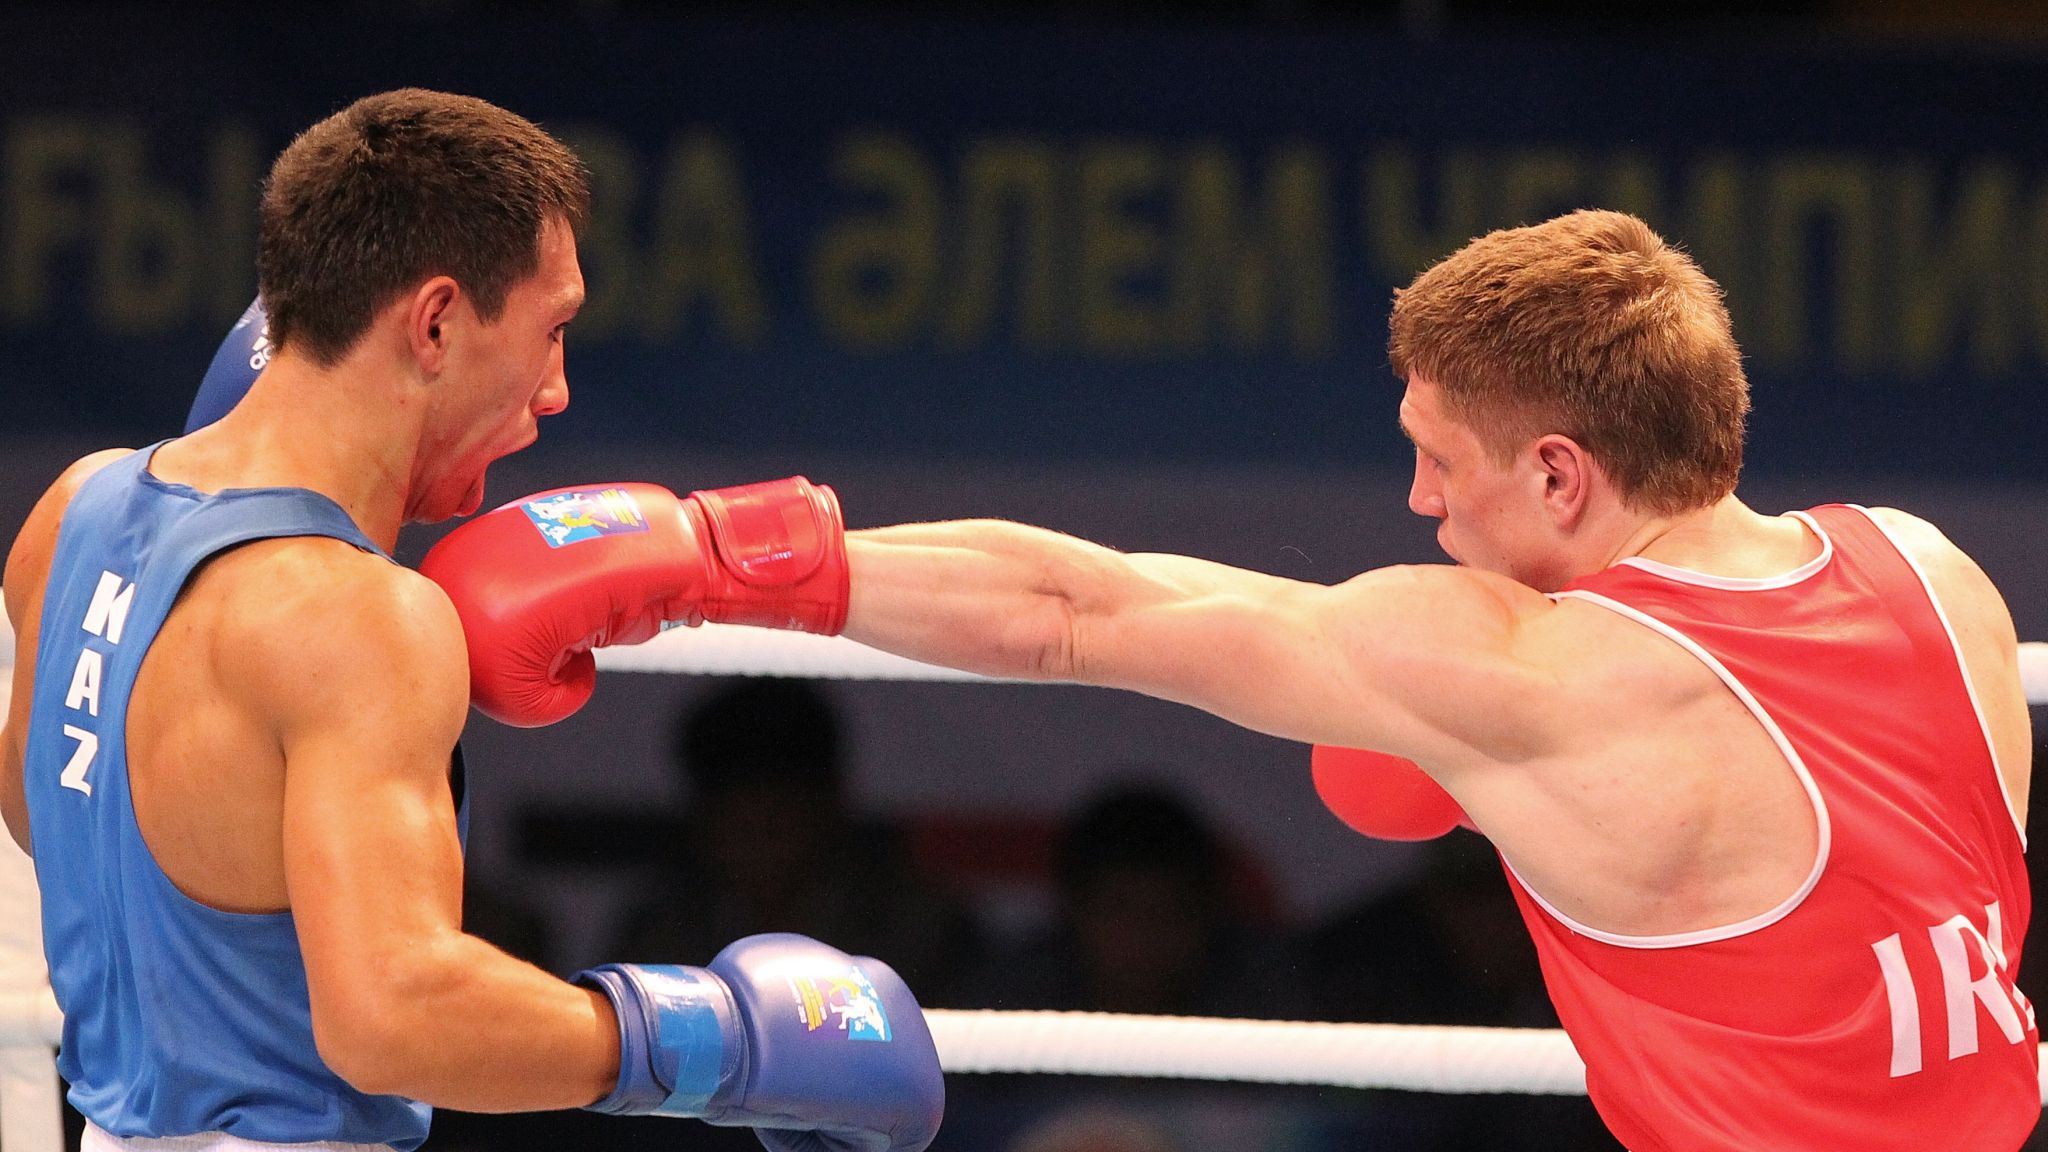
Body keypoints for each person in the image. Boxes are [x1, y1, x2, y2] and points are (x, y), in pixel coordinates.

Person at [424, 209, 2037, 1149]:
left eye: (1440, 460)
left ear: (1559, 472)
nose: (1421, 504)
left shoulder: (1531, 677)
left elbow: (1077, 612)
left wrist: (714, 555)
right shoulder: (1929, 571)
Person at [0, 89, 941, 1152]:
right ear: (436, 322)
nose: (557, 389)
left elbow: (42, 811)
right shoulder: (362, 615)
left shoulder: (75, 508)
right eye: (553, 330)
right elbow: (395, 1016)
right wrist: (718, 1042)